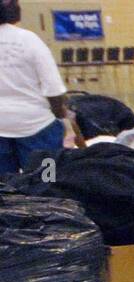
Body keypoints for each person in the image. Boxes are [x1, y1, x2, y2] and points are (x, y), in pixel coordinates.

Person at [0, 0, 68, 175]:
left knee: (5, 190)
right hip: (36, 125)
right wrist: (61, 116)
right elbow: (53, 89)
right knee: (47, 182)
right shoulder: (29, 39)